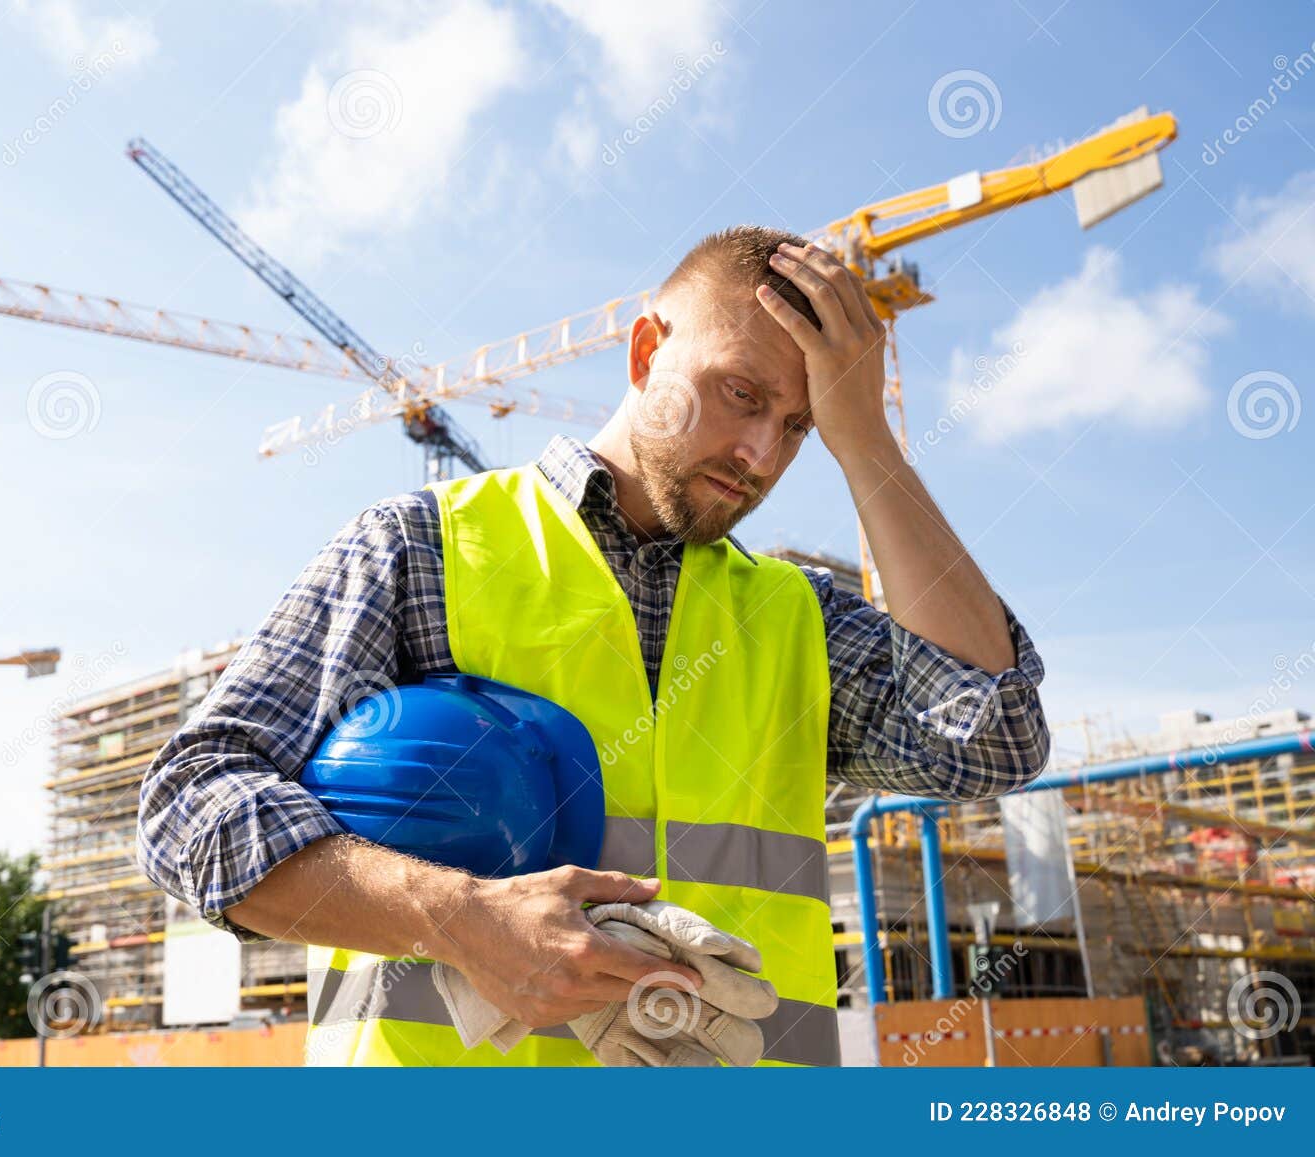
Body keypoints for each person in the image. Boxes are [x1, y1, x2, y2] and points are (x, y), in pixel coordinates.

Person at [137, 226, 1050, 1066]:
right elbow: (189, 807)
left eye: (801, 426)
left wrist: (868, 443)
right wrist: (462, 920)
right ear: (647, 352)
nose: (763, 455)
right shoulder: (422, 549)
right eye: (743, 395)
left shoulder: (797, 615)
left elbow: (993, 736)